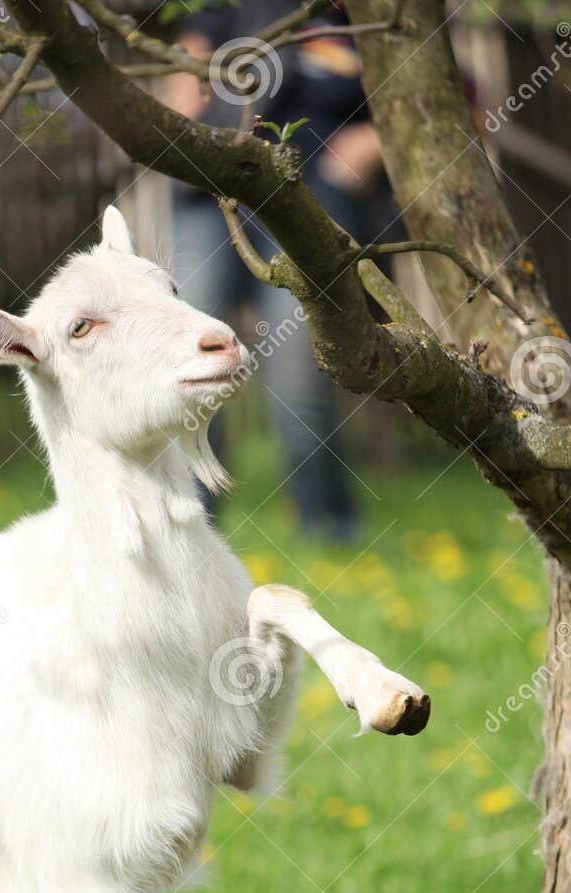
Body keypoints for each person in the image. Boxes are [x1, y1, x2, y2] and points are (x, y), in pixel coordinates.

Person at [165, 3, 399, 542]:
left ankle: (327, 528)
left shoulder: (377, 16)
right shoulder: (236, 6)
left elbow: (453, 111)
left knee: (299, 364)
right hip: (214, 187)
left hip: (317, 196)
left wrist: (371, 144)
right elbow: (189, 62)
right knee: (185, 357)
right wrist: (187, 99)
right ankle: (187, 529)